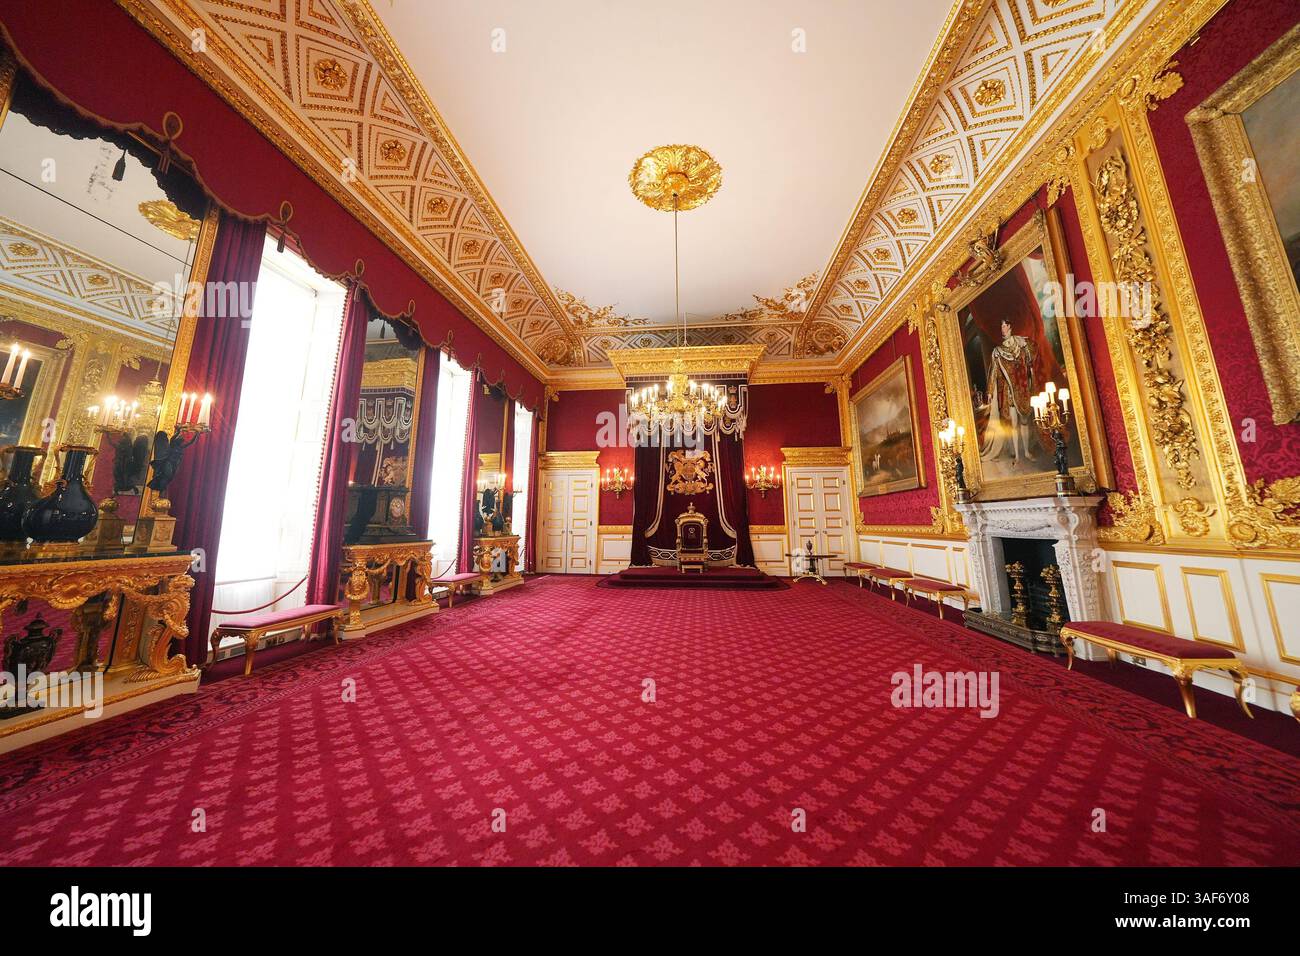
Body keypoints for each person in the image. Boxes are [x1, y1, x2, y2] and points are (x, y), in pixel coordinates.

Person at [980, 317, 1036, 464]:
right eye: (1002, 327)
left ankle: (1027, 452)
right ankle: (1017, 456)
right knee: (1014, 424)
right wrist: (990, 392)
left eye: (1005, 326)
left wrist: (1025, 342)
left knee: (1024, 421)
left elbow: (1031, 358)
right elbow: (993, 372)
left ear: (1010, 327)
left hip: (1023, 389)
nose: (1003, 329)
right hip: (1010, 391)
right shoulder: (998, 352)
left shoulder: (1021, 344)